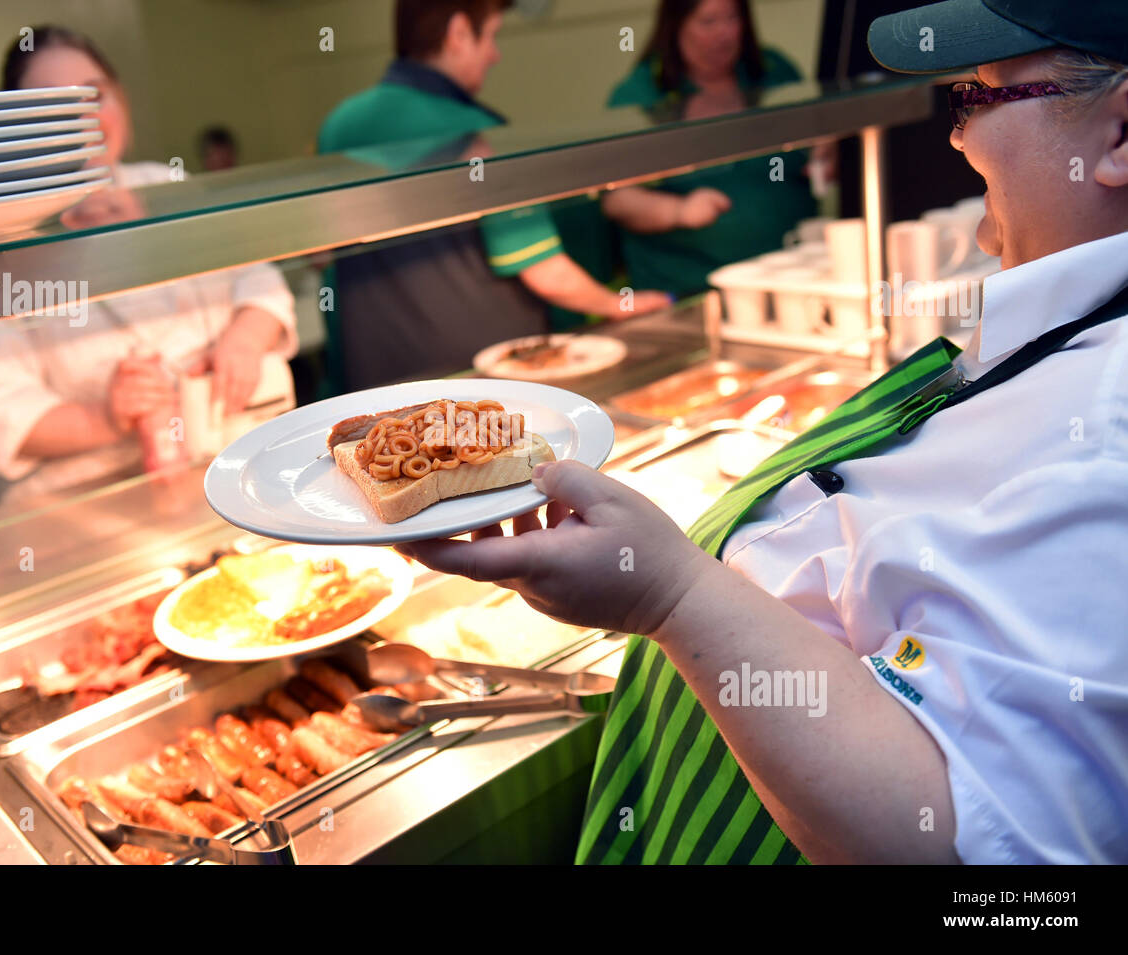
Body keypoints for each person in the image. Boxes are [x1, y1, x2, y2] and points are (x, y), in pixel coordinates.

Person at [398, 0, 1128, 864]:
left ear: (1119, 136)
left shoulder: (1108, 425)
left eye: (977, 96)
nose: (955, 138)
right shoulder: (1064, 330)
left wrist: (668, 593)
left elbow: (963, 851)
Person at [0, 27, 299, 502]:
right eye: (49, 105)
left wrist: (246, 338)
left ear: (120, 99)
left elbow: (256, 275)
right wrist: (104, 418)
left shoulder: (166, 185)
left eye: (93, 95)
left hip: (230, 465)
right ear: (16, 125)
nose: (79, 118)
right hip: (88, 503)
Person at [316, 0, 669, 393]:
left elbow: (321, 256)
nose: (495, 55)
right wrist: (621, 304)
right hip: (480, 383)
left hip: (379, 385)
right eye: (492, 36)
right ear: (459, 33)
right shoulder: (476, 134)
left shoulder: (339, 124)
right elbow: (546, 272)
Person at [603, 0, 820, 299]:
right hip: (688, 292)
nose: (725, 33)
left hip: (791, 276)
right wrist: (678, 212)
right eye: (708, 22)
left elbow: (816, 138)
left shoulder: (773, 72)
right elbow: (618, 200)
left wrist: (827, 155)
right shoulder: (641, 95)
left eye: (733, 18)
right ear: (676, 26)